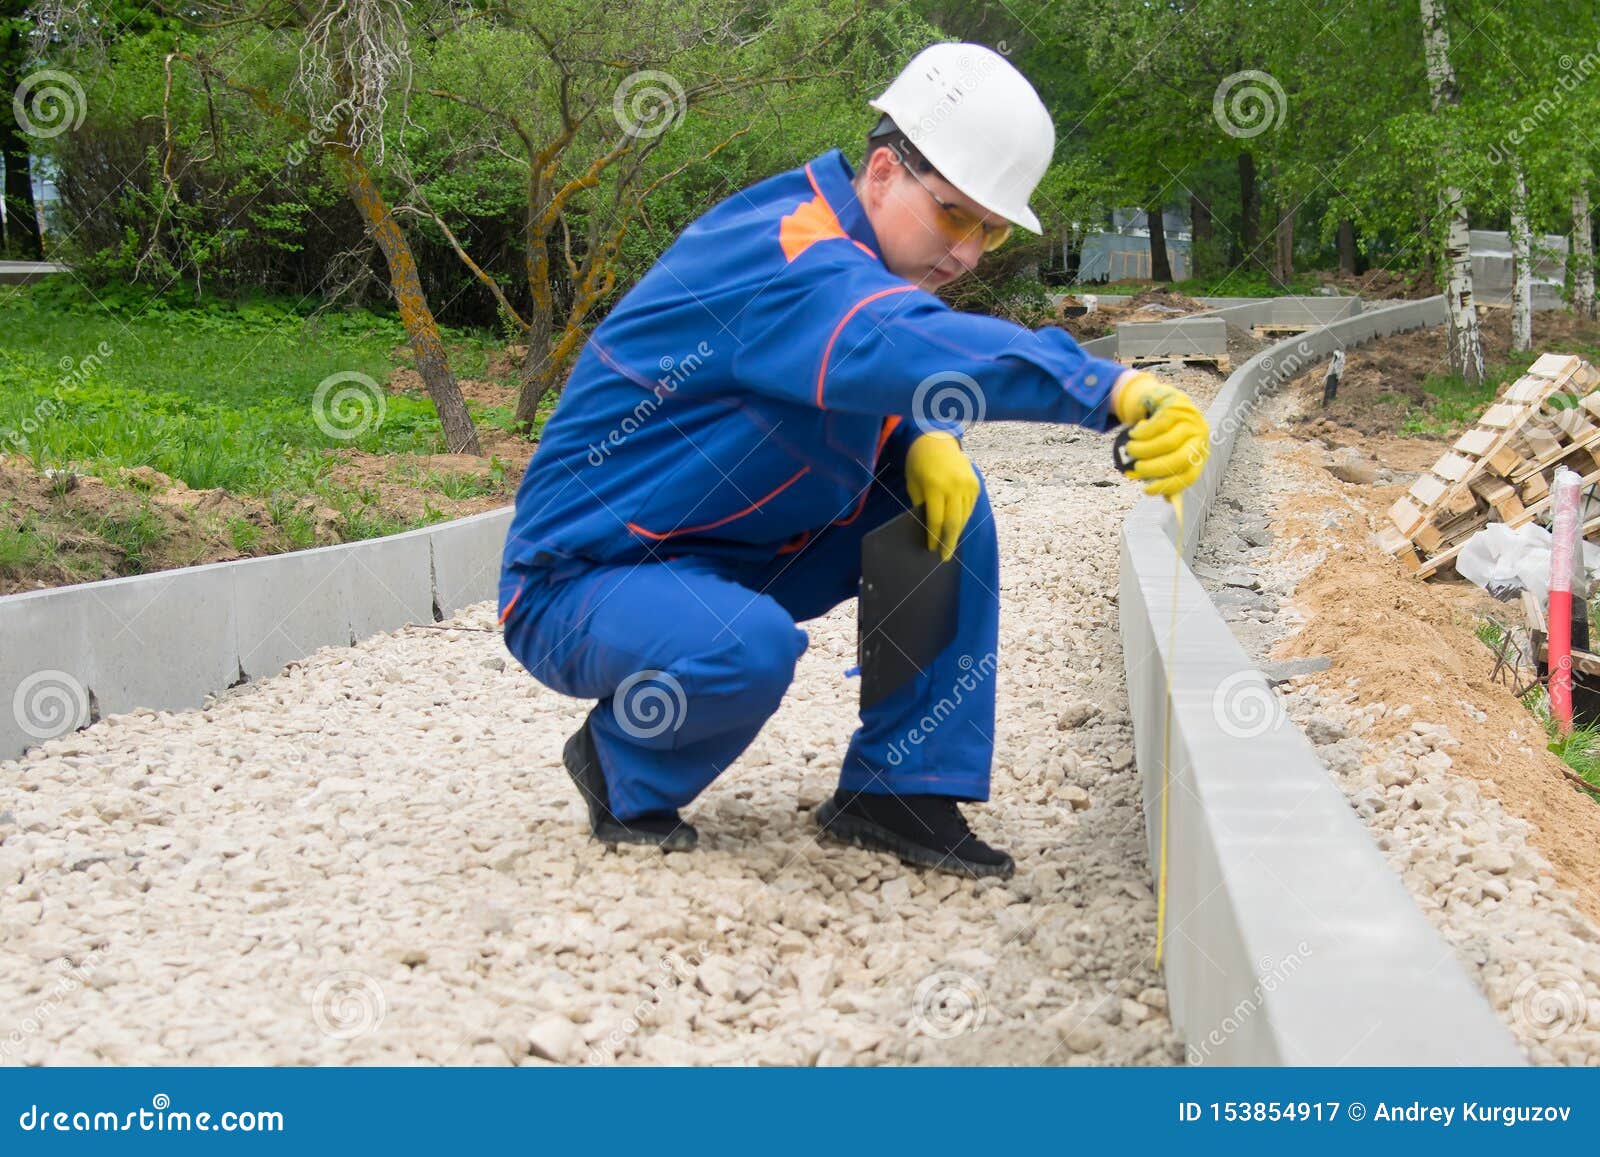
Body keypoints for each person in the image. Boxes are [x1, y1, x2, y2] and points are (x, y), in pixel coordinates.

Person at [497, 42, 1209, 878]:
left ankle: (901, 786)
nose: (970, 251)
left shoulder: (847, 249)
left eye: (990, 228)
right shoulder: (787, 246)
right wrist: (1113, 390)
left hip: (726, 550)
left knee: (943, 499)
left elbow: (844, 366)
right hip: (585, 580)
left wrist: (916, 435)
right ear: (882, 171)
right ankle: (621, 768)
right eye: (954, 215)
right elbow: (888, 337)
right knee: (745, 646)